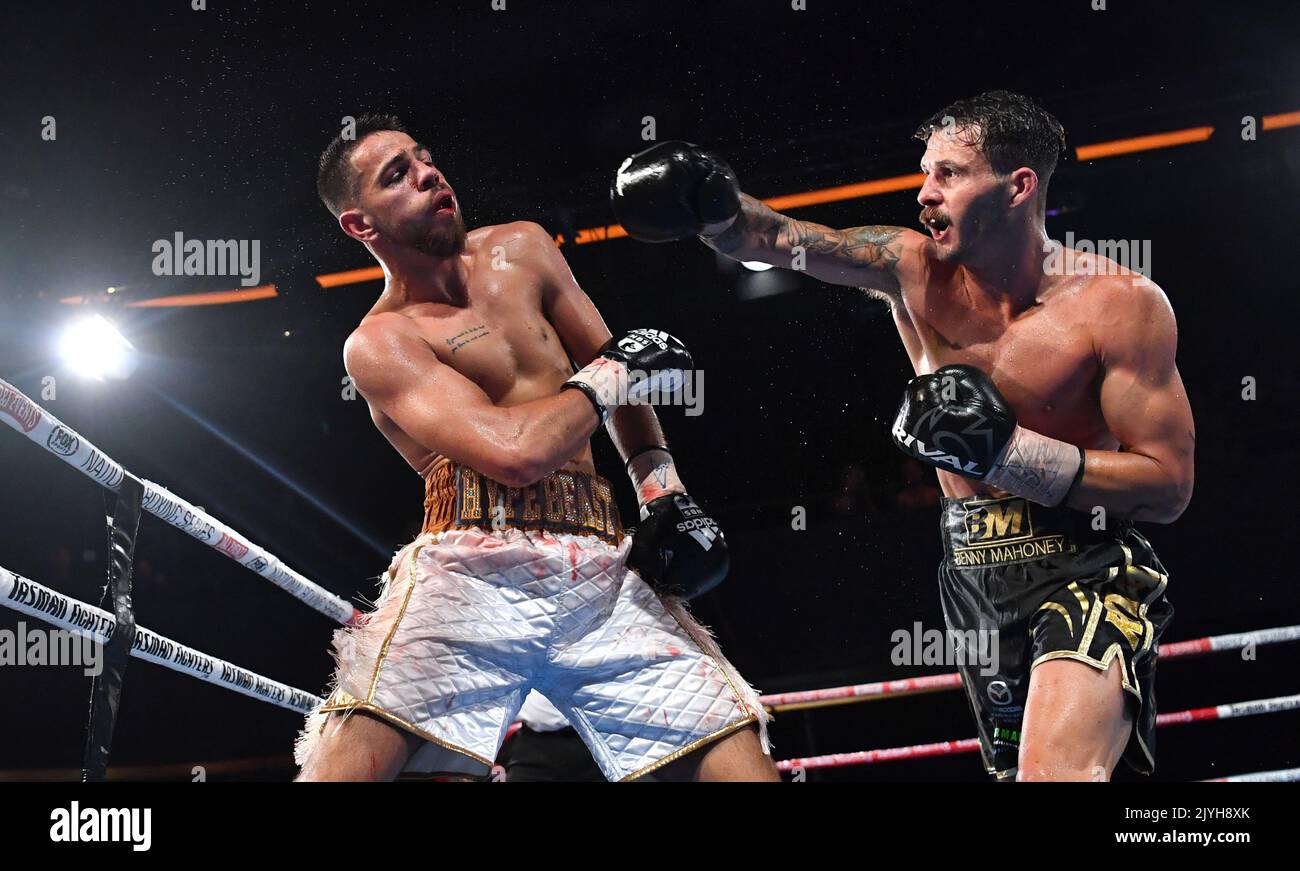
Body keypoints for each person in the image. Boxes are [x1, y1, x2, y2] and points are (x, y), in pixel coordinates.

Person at [611, 91, 1195, 781]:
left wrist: (1012, 454)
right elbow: (780, 241)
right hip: (975, 573)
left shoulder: (1121, 305)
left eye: (949, 173)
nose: (924, 193)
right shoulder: (909, 269)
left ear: (1018, 186)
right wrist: (715, 209)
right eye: (926, 172)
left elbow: (1167, 484)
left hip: (1088, 565)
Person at [295, 114, 776, 782]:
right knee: (341, 773)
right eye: (396, 175)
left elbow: (611, 367)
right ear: (359, 224)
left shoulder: (524, 247)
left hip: (601, 564)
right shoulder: (380, 343)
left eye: (424, 157)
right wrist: (612, 375)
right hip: (469, 571)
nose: (428, 173)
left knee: (742, 762)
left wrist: (662, 490)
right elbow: (520, 449)